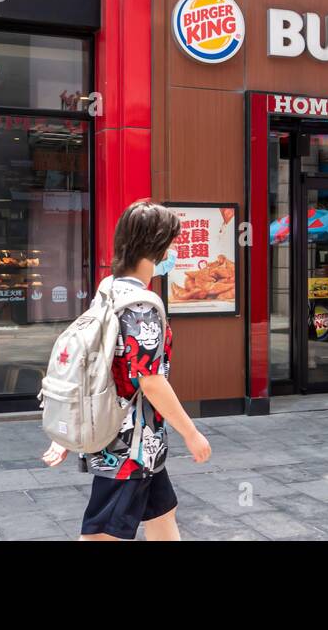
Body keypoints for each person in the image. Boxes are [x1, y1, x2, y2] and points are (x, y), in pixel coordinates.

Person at [42, 200, 211, 540]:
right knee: (103, 534)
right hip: (129, 445)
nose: (175, 251)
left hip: (133, 441)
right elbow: (150, 381)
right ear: (156, 247)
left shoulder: (108, 291)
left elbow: (91, 365)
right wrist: (191, 433)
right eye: (173, 243)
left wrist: (71, 430)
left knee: (163, 513)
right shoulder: (140, 308)